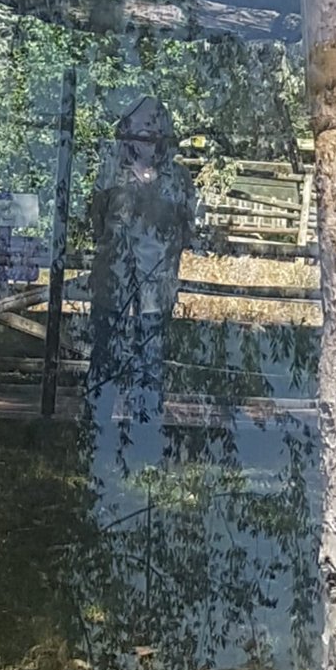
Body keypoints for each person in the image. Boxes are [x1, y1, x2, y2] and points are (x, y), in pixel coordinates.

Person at [85, 95, 197, 430]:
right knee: (105, 355)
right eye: (142, 120)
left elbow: (187, 229)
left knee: (151, 360)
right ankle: (96, 430)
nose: (150, 126)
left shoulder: (179, 178)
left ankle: (148, 433)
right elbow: (95, 222)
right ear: (127, 130)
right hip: (112, 283)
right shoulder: (110, 174)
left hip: (156, 286)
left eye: (156, 119)